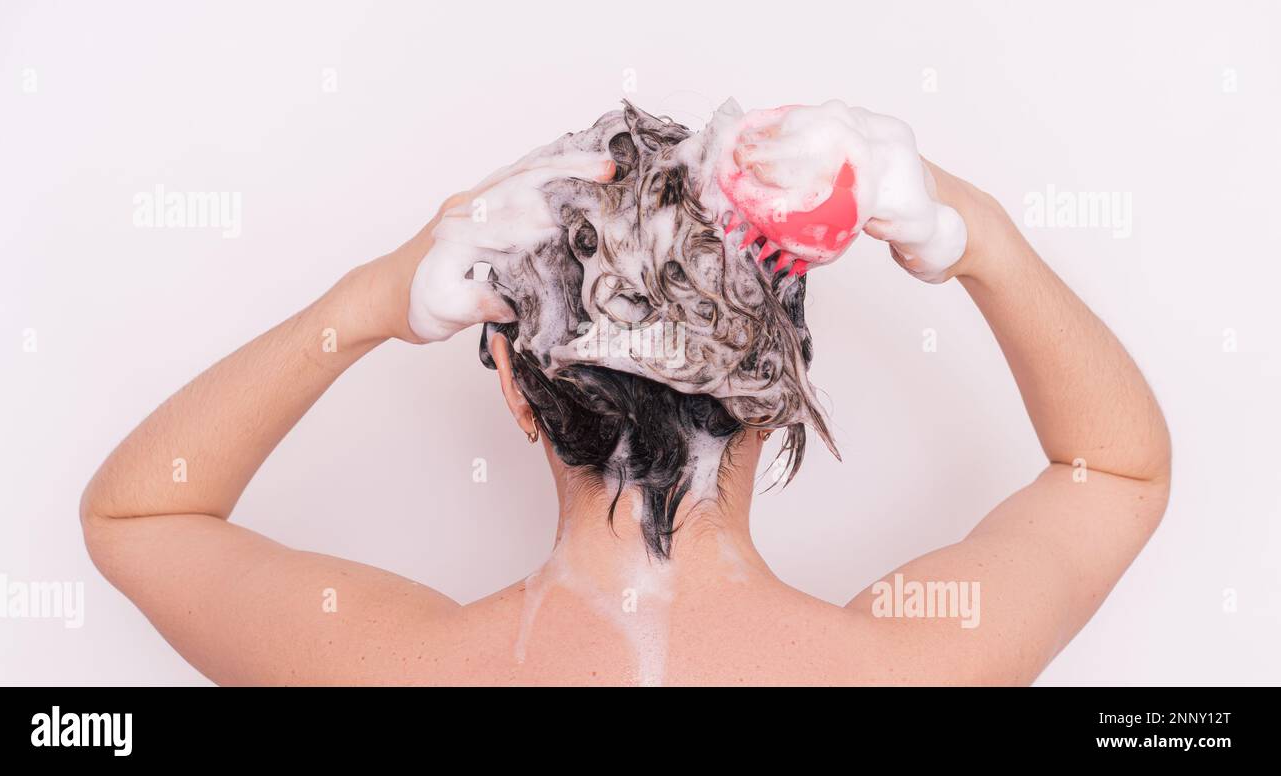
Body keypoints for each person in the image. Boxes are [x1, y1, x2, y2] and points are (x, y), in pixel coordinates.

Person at [80, 120, 1170, 685]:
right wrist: (960, 230)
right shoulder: (911, 665)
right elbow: (1113, 466)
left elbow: (140, 515)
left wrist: (373, 300)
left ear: (515, 386)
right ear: (782, 384)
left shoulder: (395, 668)